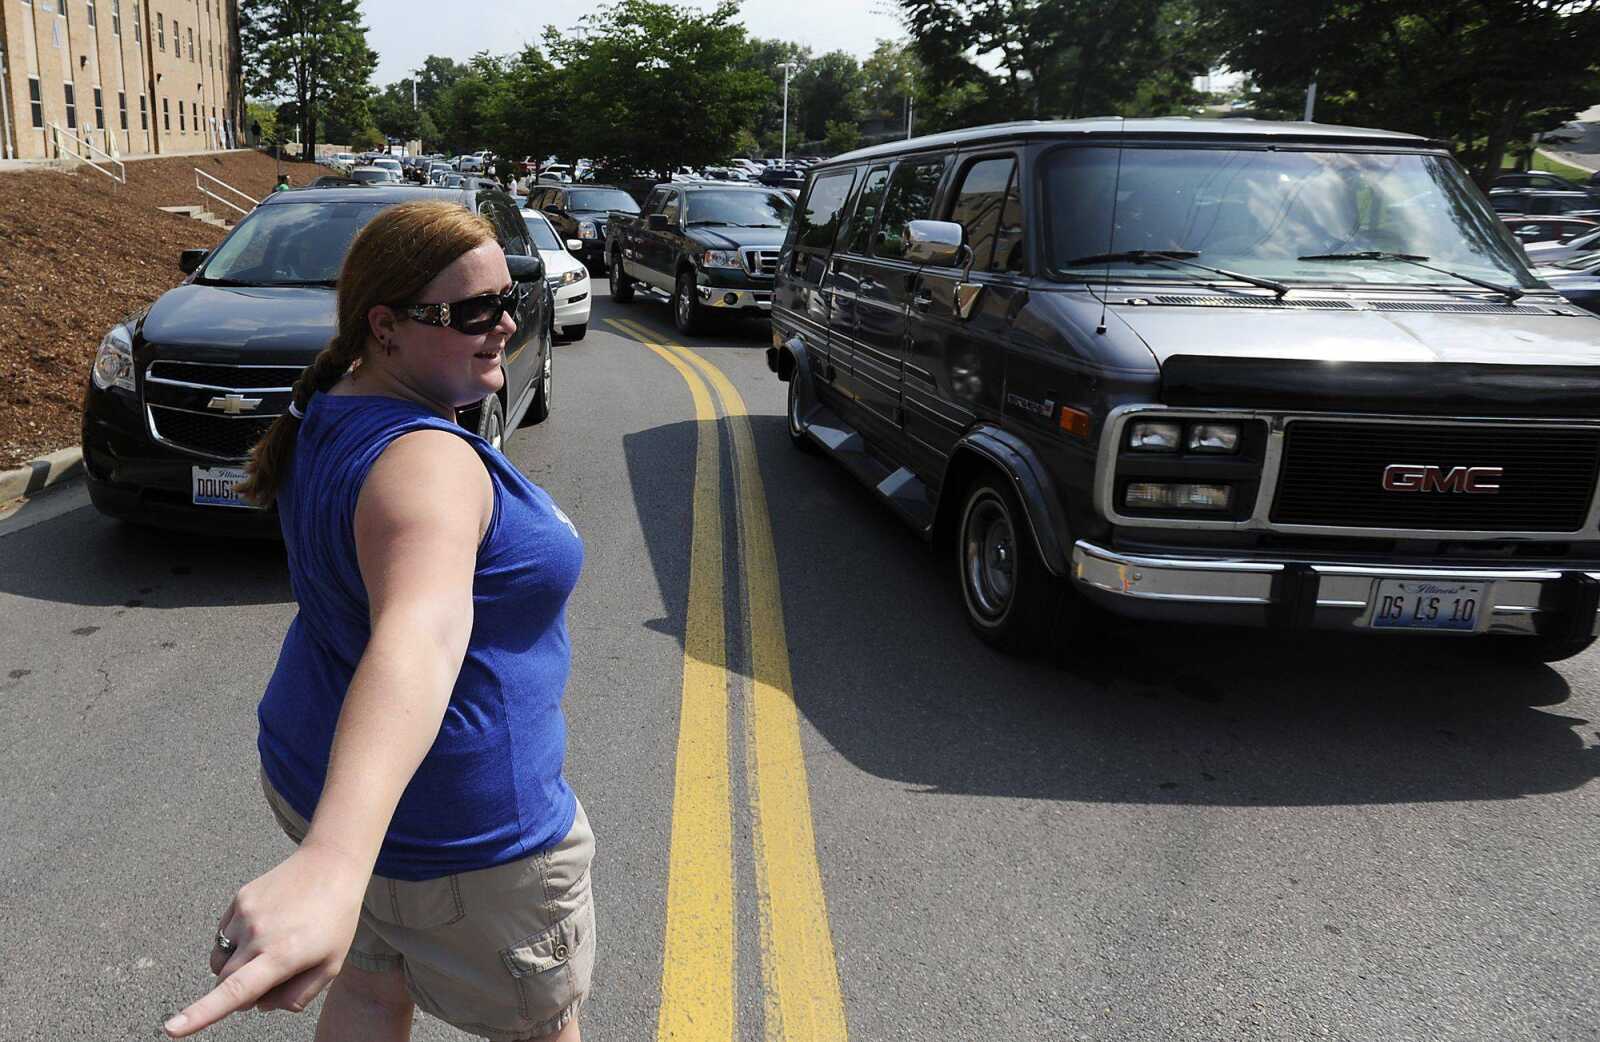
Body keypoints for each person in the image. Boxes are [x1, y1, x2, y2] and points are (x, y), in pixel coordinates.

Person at [164, 200, 593, 1042]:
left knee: (366, 988)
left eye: (510, 295)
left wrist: (334, 850)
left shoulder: (326, 405)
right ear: (386, 326)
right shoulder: (429, 463)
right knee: (542, 1028)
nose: (505, 323)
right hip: (463, 838)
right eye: (472, 311)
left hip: (316, 779)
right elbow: (419, 637)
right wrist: (332, 864)